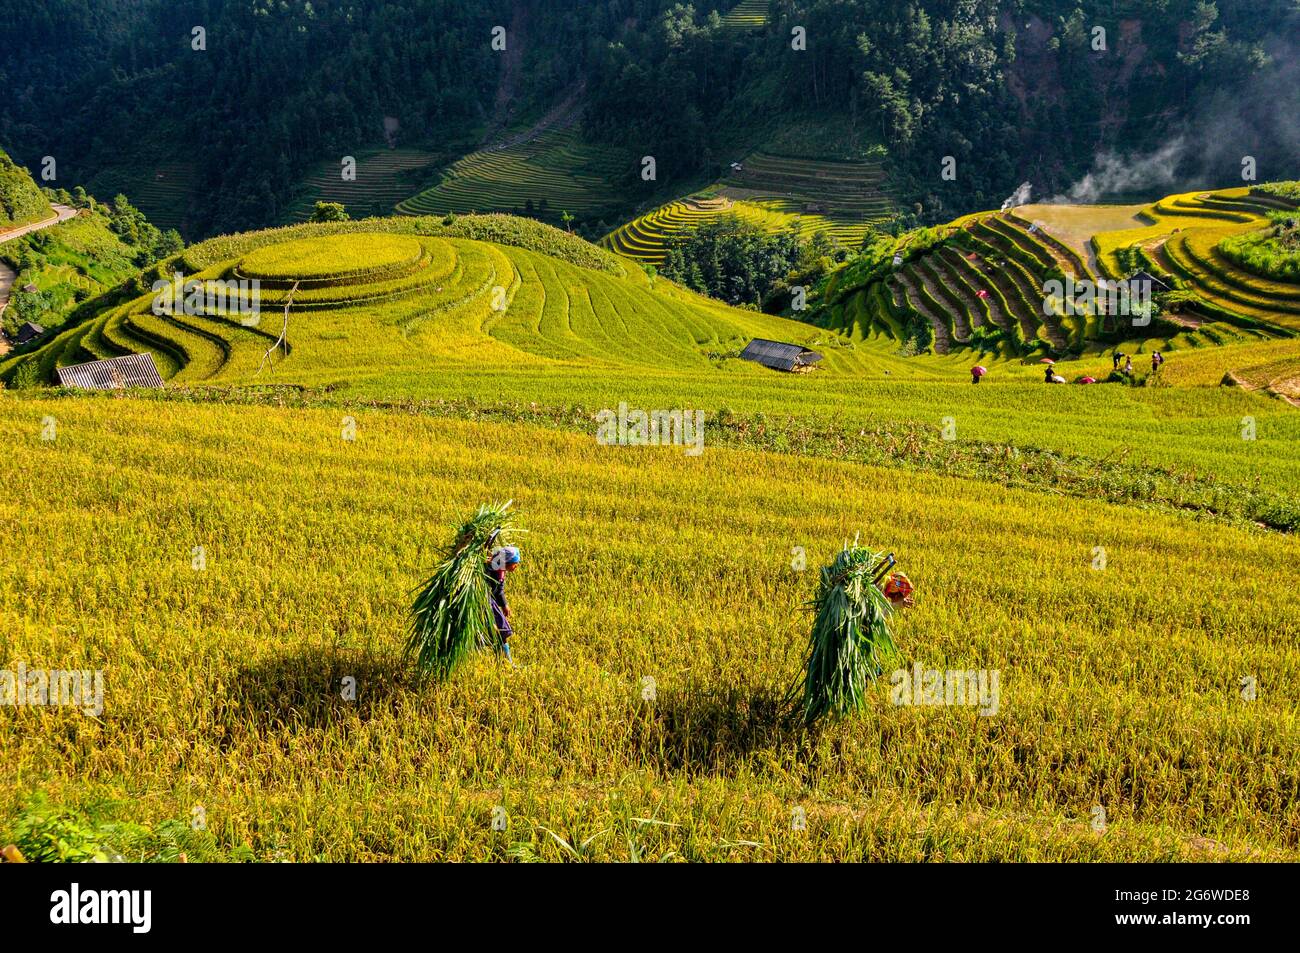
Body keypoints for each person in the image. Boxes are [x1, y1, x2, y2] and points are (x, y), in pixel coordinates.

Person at [486, 546, 521, 665]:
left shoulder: (500, 570)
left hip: (491, 603)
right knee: (499, 631)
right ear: (506, 562)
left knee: (501, 632)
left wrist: (504, 605)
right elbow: (484, 591)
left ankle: (506, 661)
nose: (516, 566)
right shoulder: (489, 571)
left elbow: (499, 590)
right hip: (485, 604)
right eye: (515, 563)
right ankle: (506, 662)